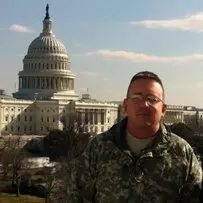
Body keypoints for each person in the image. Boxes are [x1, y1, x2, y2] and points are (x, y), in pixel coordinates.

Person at [67, 71, 202, 202]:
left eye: (152, 99)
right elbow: (76, 196)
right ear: (125, 106)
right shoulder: (97, 148)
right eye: (136, 98)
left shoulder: (182, 152)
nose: (144, 105)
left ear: (163, 110)